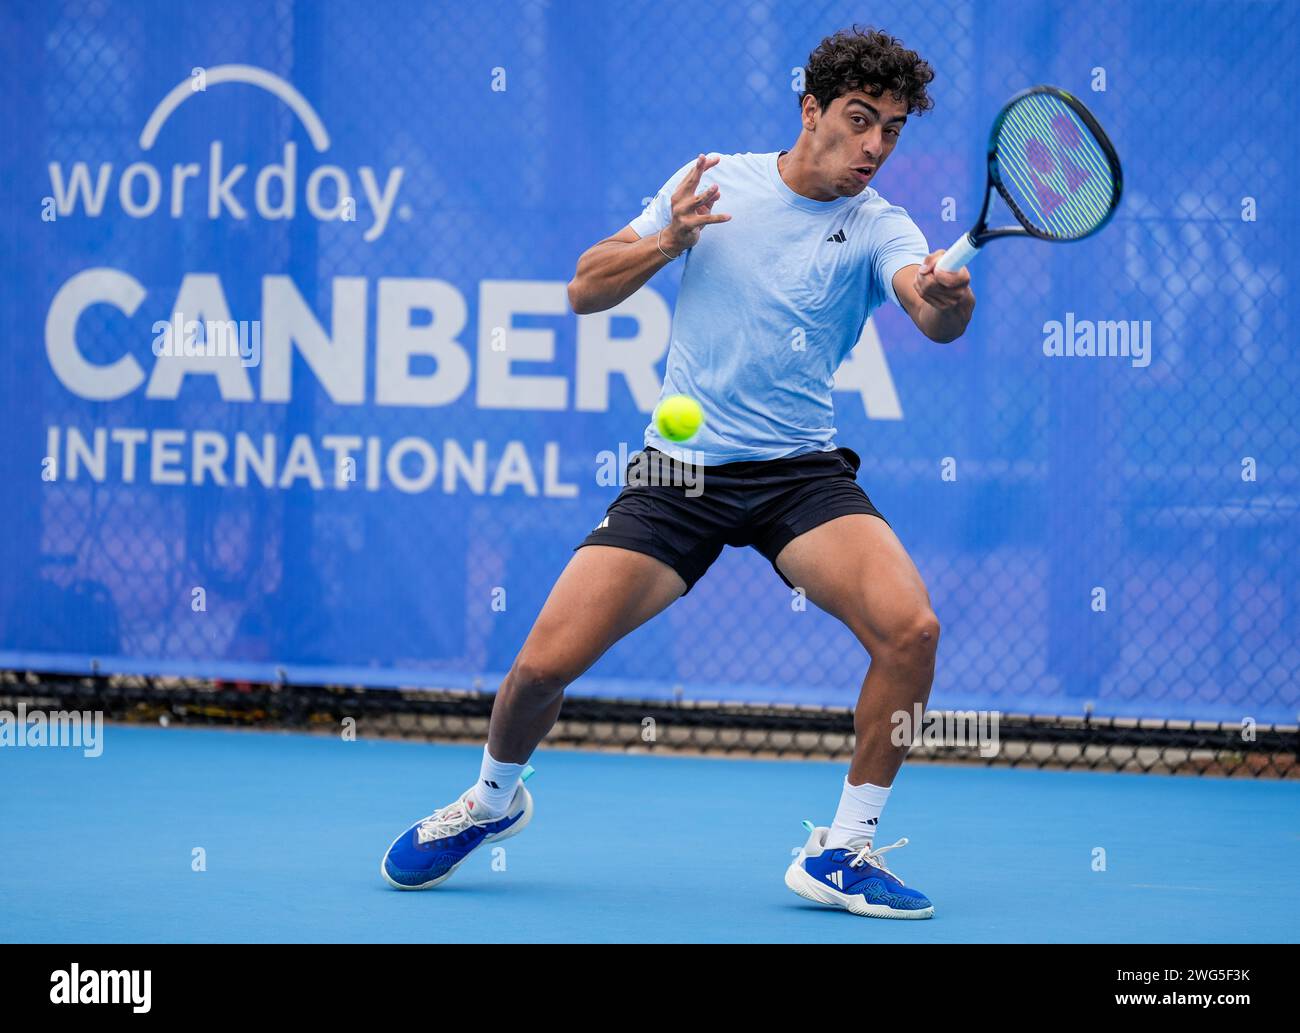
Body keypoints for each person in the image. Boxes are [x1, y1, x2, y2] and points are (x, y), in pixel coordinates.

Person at [382, 25, 974, 920]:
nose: (876, 147)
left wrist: (947, 300)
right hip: (681, 476)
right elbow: (583, 287)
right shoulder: (713, 183)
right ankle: (491, 802)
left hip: (798, 475)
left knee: (913, 630)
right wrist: (670, 239)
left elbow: (927, 312)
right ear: (810, 109)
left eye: (892, 129)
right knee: (540, 669)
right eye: (860, 120)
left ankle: (843, 848)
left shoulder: (882, 223)